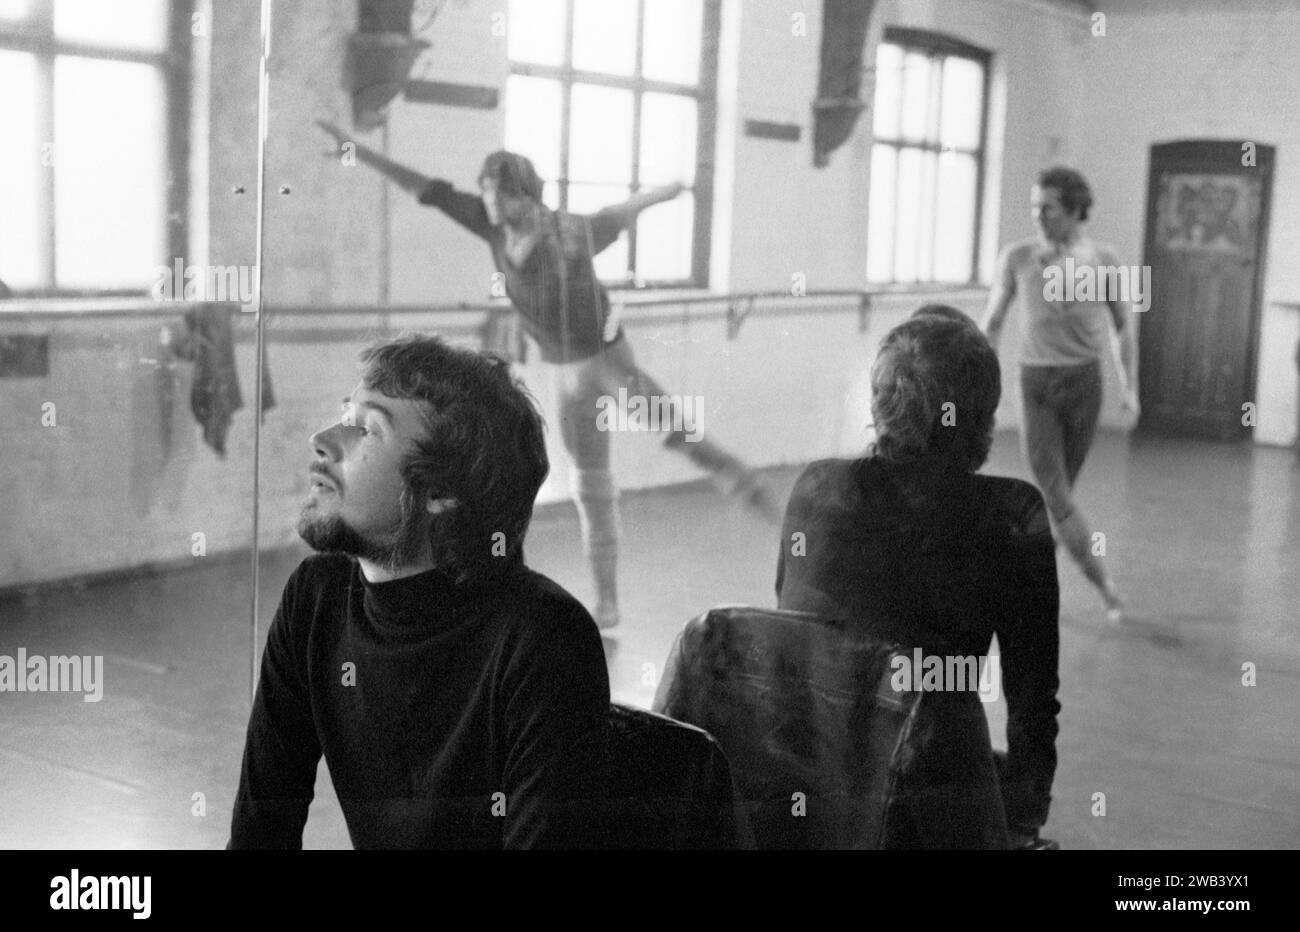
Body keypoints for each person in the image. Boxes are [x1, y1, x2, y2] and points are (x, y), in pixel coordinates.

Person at [317, 122, 776, 631]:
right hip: (565, 375)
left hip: (608, 361)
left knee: (675, 433)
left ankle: (734, 472)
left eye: (500, 195)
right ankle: (607, 601)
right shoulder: (491, 228)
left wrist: (673, 189)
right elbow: (428, 190)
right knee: (591, 487)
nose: (490, 204)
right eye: (487, 194)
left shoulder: (568, 230)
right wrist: (361, 153)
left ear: (524, 195)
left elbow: (624, 212)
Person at [228, 334, 610, 849]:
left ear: (440, 492)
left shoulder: (542, 637)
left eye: (366, 428)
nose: (321, 439)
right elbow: (260, 837)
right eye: (344, 413)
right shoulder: (317, 598)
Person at [776, 315, 1061, 848]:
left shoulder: (814, 487)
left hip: (809, 787)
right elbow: (1032, 702)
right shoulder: (1011, 514)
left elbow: (802, 629)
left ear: (879, 403)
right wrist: (1022, 825)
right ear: (981, 420)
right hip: (924, 811)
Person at [981, 166, 1138, 622]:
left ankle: (1015, 580)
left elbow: (1122, 328)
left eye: (1047, 208)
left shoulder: (1104, 260)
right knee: (1055, 492)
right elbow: (991, 324)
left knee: (1059, 495)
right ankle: (1105, 586)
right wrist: (980, 385)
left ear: (1074, 212)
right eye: (1034, 207)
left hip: (1085, 386)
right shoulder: (1018, 257)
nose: (1038, 216)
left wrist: (1130, 386)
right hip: (1037, 386)